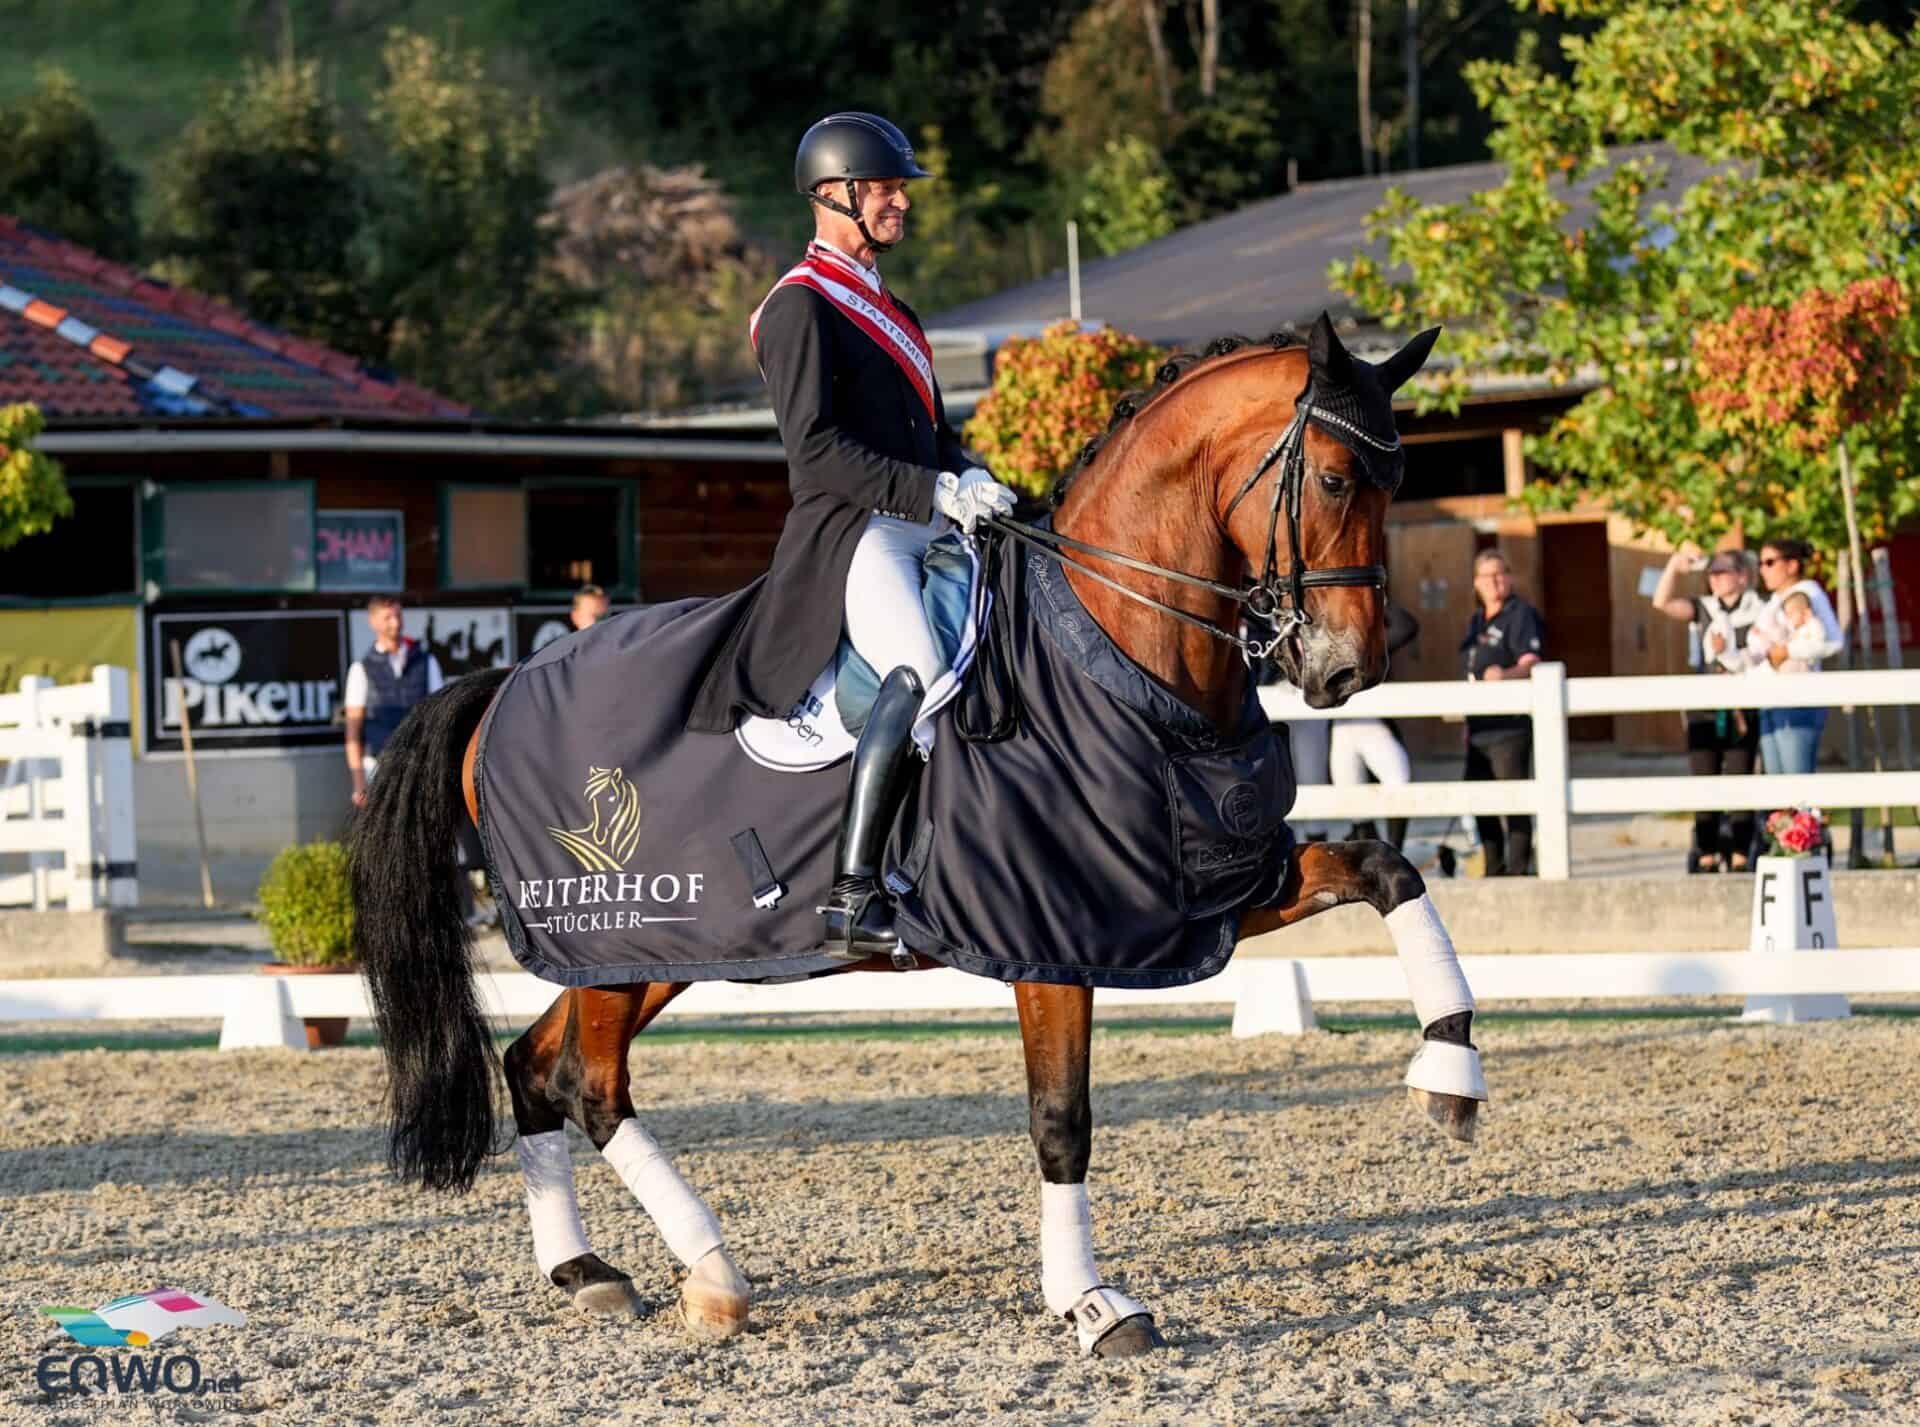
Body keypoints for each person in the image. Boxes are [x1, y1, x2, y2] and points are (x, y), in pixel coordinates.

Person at [686, 112, 1017, 959]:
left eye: (900, 187)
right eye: (889, 187)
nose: (902, 200)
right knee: (919, 673)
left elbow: (926, 432)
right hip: (856, 533)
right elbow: (816, 453)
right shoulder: (799, 306)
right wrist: (930, 487)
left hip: (925, 517)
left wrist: (966, 469)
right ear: (837, 195)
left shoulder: (890, 305)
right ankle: (854, 894)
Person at [1649, 546, 1766, 872]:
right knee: (1705, 777)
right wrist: (1674, 565)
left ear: (1741, 576)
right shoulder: (1704, 608)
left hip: (1742, 707)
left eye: (1722, 571)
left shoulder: (1759, 610)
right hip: (1705, 706)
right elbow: (1661, 602)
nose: (1714, 578)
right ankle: (1707, 850)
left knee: (1741, 776)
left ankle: (1742, 850)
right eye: (1711, 573)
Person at [1459, 550, 1545, 876]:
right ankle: (1494, 867)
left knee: (1514, 801)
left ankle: (1519, 869)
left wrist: (1503, 676)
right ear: (1476, 584)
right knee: (1480, 800)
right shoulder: (1476, 620)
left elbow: (1531, 662)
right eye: (1486, 576)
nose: (1494, 582)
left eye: (1500, 574)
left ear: (1509, 578)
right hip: (1478, 727)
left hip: (1509, 727)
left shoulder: (1520, 614)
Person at [1735, 537, 1844, 776]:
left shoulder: (1808, 594)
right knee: (1778, 787)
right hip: (1770, 698)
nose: (1763, 569)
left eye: (1770, 562)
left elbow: (1833, 641)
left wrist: (1788, 651)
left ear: (1792, 565)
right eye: (1761, 563)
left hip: (1796, 699)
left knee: (1796, 785)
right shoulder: (1774, 600)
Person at [1333, 600, 1420, 850]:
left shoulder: (1369, 643)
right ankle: (1371, 855)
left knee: (1398, 781)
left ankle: (1395, 851)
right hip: (1341, 729)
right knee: (1353, 802)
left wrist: (1377, 599)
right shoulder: (1322, 644)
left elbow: (1406, 626)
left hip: (1373, 724)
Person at [344, 594, 445, 809]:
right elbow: (353, 732)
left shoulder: (427, 662)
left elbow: (440, 720)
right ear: (373, 622)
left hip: (420, 766)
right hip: (378, 766)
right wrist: (359, 781)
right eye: (388, 617)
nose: (396, 622)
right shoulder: (360, 670)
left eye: (398, 615)